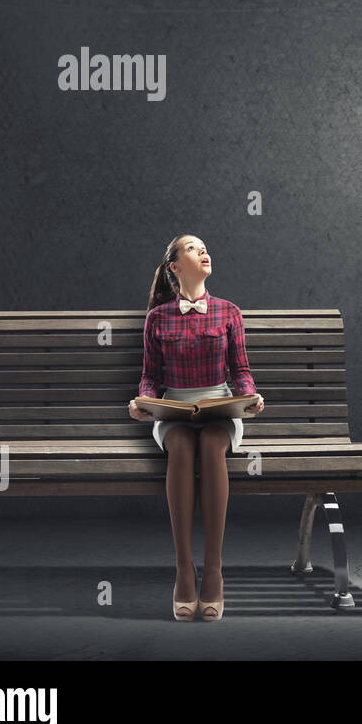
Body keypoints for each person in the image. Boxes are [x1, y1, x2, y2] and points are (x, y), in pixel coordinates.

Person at [128, 234, 265, 621]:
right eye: (192, 248)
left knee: (211, 446)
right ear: (174, 266)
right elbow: (150, 378)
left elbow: (240, 371)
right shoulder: (158, 318)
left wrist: (250, 397)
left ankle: (215, 570)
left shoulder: (229, 312)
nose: (203, 251)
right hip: (174, 410)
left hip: (220, 407)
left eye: (204, 247)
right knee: (184, 447)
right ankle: (184, 570)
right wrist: (142, 402)